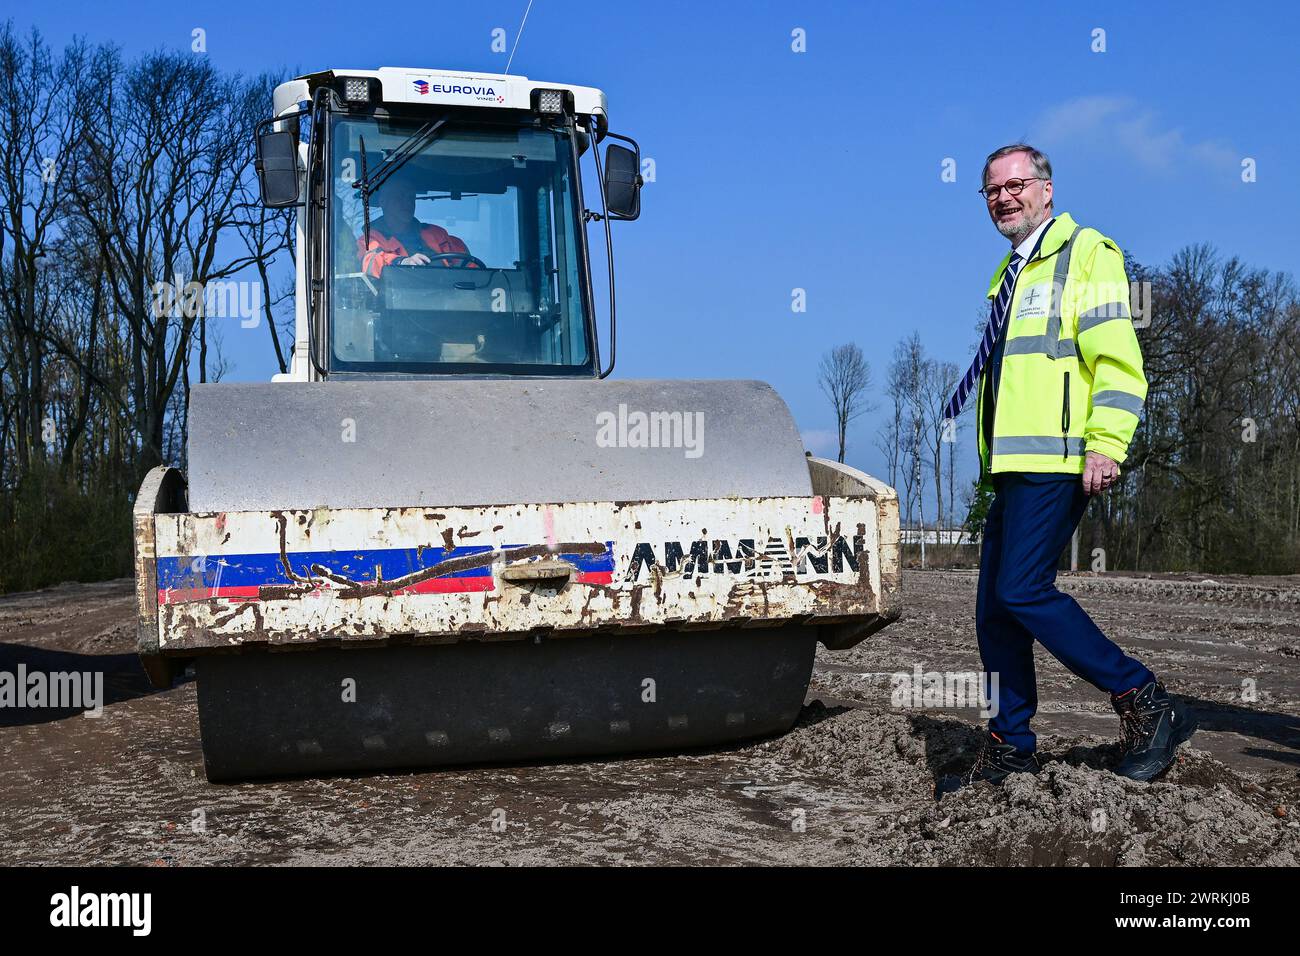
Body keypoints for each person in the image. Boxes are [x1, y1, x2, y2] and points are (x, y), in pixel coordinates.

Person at [947, 144, 1196, 784]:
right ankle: (1011, 745)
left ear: (1047, 190)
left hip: (1058, 459)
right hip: (1011, 464)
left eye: (1017, 184)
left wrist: (1107, 442)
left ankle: (1143, 698)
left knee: (1022, 590)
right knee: (994, 611)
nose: (1005, 196)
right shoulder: (1009, 275)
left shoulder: (1087, 253)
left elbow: (1118, 359)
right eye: (993, 189)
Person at [358, 170, 477, 278]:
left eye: (411, 197)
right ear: (383, 201)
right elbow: (370, 262)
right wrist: (403, 262)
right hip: (397, 300)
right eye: (400, 196)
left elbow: (471, 269)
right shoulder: (370, 240)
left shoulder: (437, 234)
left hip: (447, 299)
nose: (408, 202)